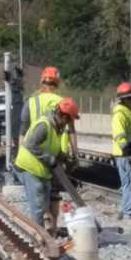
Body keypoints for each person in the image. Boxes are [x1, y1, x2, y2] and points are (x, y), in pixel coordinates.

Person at [16, 96, 81, 232]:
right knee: (39, 205)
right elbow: (30, 144)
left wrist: (66, 158)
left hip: (41, 170)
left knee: (44, 203)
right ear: (63, 116)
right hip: (29, 168)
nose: (69, 124)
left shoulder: (56, 129)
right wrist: (49, 158)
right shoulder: (44, 125)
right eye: (69, 120)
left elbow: (54, 150)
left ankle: (43, 234)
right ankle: (38, 236)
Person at [111, 82, 131, 221]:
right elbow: (119, 135)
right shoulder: (120, 114)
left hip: (130, 152)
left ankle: (123, 210)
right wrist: (127, 152)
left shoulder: (127, 112)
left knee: (129, 184)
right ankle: (129, 214)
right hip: (125, 154)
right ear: (125, 99)